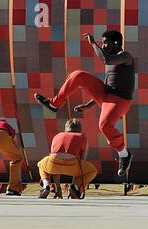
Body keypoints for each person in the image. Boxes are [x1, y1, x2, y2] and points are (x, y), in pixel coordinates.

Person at [36, 30, 135, 180]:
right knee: (78, 75)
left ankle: (124, 154)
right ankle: (55, 104)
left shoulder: (125, 56)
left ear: (116, 43)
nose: (103, 45)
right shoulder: (112, 59)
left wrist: (93, 44)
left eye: (106, 42)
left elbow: (107, 60)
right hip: (106, 95)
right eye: (102, 42)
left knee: (104, 125)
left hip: (120, 100)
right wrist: (89, 105)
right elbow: (106, 85)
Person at [36, 117, 97, 199]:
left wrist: (58, 188)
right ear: (80, 129)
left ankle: (46, 185)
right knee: (92, 171)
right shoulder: (82, 137)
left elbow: (54, 156)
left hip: (53, 163)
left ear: (66, 128)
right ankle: (75, 186)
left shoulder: (57, 136)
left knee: (41, 164)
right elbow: (82, 160)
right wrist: (73, 182)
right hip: (72, 165)